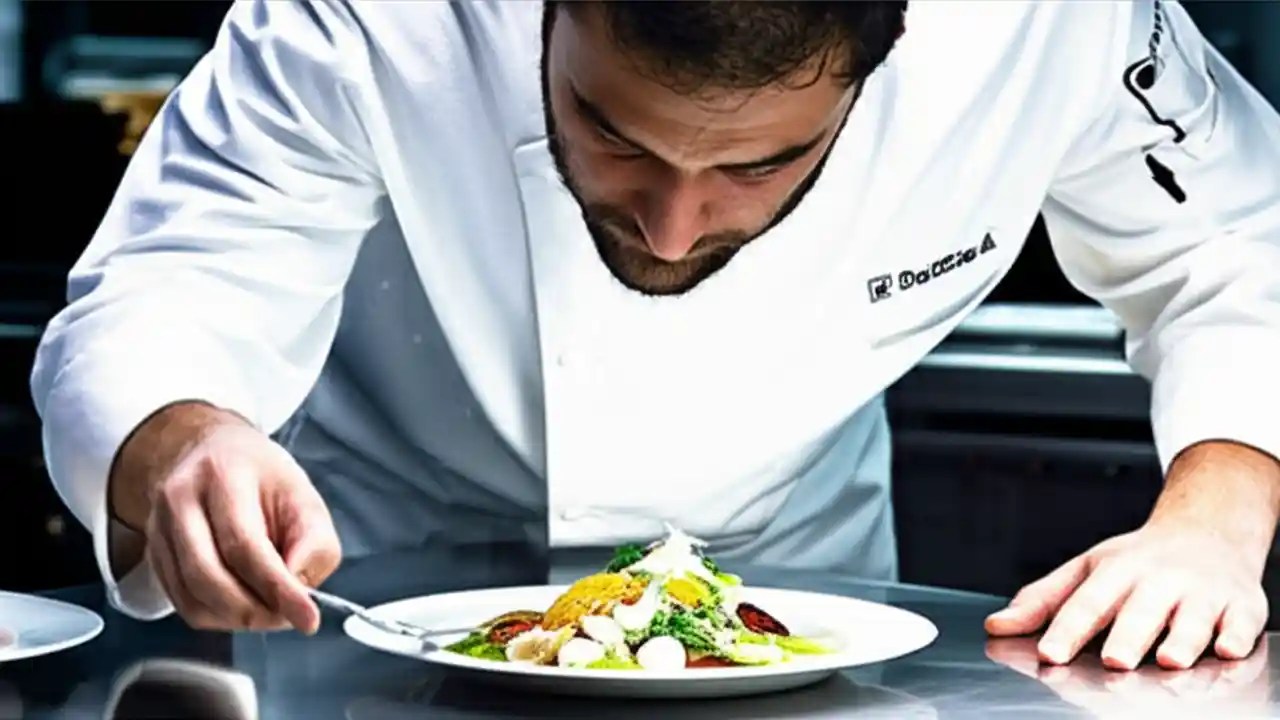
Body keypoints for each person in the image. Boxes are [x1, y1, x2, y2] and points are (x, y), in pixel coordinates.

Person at [29, 0, 1280, 673]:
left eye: (759, 165)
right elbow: (175, 275)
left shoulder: (1037, 25)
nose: (673, 232)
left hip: (794, 600)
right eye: (612, 131)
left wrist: (1213, 523)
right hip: (365, 593)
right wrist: (179, 431)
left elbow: (1235, 244)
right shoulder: (370, 16)